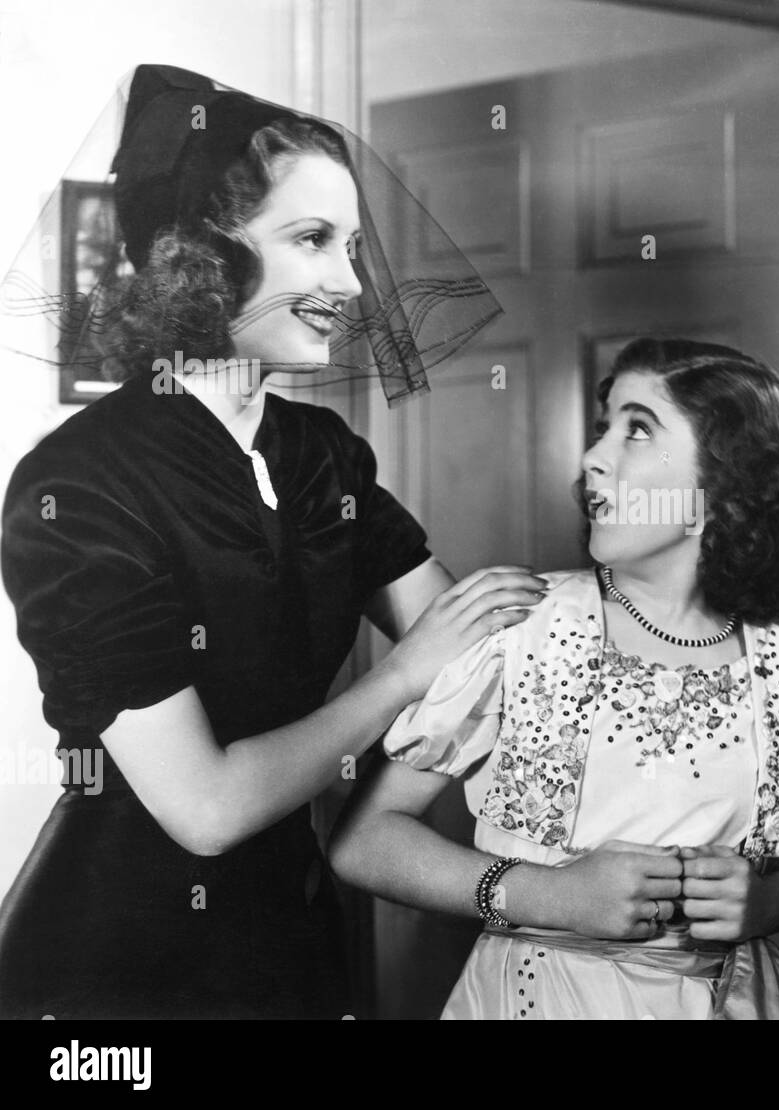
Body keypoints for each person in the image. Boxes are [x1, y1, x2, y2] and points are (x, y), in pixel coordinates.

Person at [0, 65, 544, 1018]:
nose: (351, 282)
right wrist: (404, 674)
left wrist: (699, 634)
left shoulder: (321, 453)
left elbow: (484, 650)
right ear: (199, 263)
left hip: (293, 928)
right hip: (120, 968)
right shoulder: (78, 487)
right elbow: (205, 811)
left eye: (352, 246)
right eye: (312, 241)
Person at [329, 338, 779, 1019]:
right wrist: (538, 893)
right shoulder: (523, 630)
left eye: (638, 430)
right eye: (603, 428)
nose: (594, 457)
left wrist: (770, 900)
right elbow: (365, 841)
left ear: (728, 482)